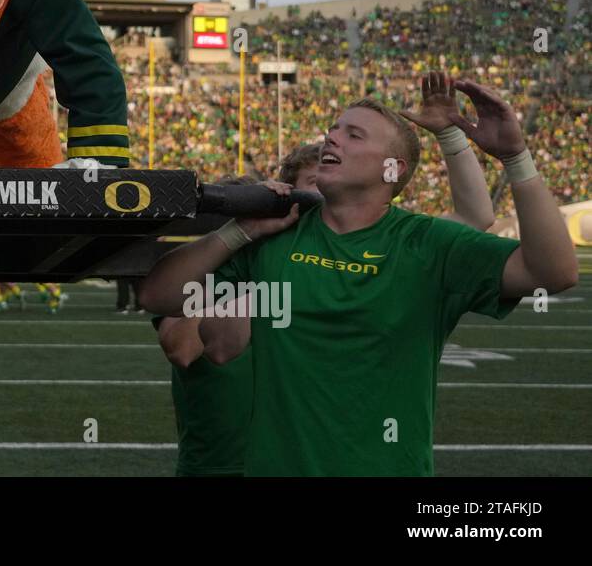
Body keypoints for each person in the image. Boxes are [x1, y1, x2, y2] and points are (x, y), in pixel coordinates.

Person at [140, 82, 578, 476]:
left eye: (355, 134)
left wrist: (516, 158)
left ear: (394, 169)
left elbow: (553, 272)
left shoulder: (426, 244)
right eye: (334, 129)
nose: (333, 137)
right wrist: (239, 231)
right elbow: (158, 295)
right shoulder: (273, 239)